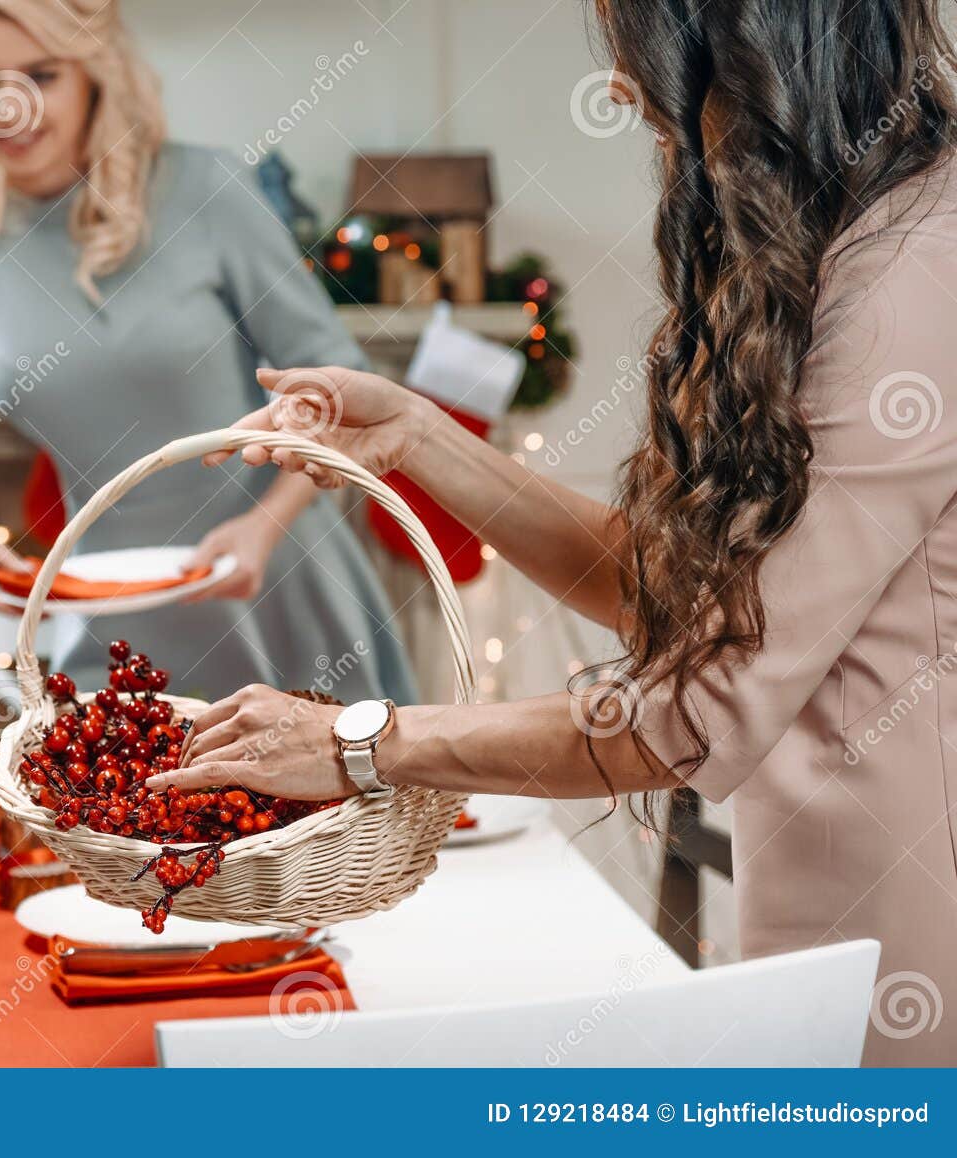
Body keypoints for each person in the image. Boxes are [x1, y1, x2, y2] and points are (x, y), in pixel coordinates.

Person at [153, 0, 957, 1067]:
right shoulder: (856, 241)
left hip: (912, 945)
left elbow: (693, 709)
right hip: (821, 923)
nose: (620, 84)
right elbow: (670, 592)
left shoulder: (913, 280)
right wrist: (417, 435)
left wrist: (359, 745)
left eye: (638, 41)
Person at [0, 0, 416, 705]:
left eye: (42, 75)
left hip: (285, 595)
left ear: (94, 76)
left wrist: (262, 528)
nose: (10, 105)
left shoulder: (206, 191)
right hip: (114, 629)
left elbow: (340, 391)